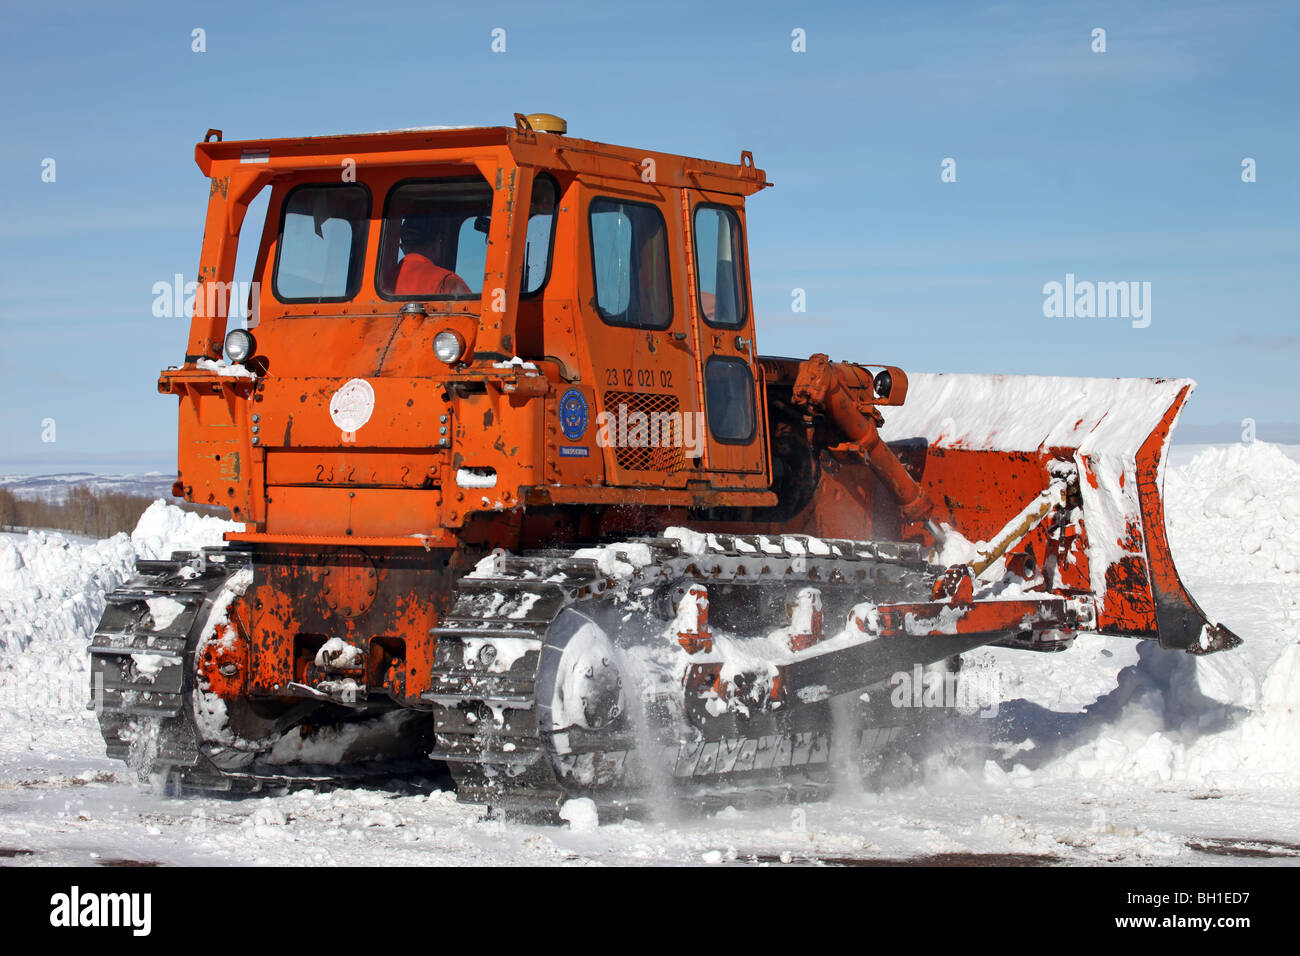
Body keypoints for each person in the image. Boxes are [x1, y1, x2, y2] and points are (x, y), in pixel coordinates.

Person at [393, 215, 471, 296]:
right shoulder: (448, 281)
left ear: (402, 248)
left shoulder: (384, 281)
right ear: (434, 245)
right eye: (440, 241)